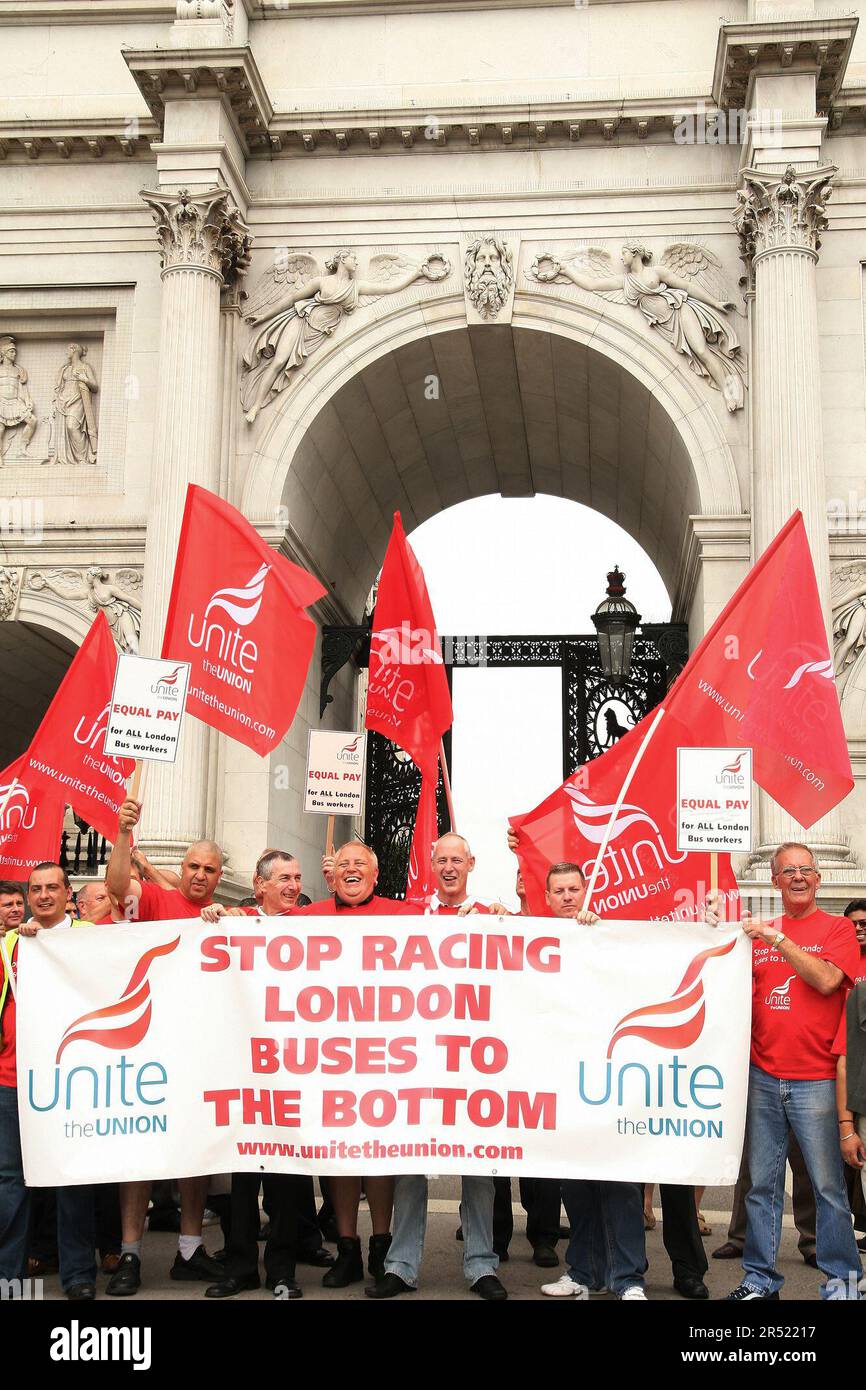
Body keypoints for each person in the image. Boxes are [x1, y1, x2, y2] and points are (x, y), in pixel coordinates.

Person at [708, 842, 863, 1300]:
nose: (797, 876)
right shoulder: (755, 934)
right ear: (775, 881)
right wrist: (711, 922)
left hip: (816, 1078)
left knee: (828, 1188)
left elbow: (827, 980)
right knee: (761, 1187)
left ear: (818, 879)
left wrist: (776, 939)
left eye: (806, 870)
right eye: (788, 870)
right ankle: (759, 1279)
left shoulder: (836, 929)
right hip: (761, 1076)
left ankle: (844, 1282)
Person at [368, 835, 508, 1301]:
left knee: (480, 1169)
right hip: (419, 1061)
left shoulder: (493, 916)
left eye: (457, 860)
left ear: (472, 863)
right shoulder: (407, 917)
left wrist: (501, 922)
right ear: (430, 866)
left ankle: (482, 1265)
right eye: (441, 860)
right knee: (409, 1166)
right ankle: (401, 1265)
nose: (449, 868)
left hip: (474, 1062)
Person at [103, 798, 224, 1295]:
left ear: (219, 876)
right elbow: (115, 887)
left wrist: (227, 920)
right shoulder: (156, 900)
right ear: (182, 868)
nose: (199, 875)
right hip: (151, 1052)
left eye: (209, 869)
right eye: (193, 866)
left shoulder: (225, 913)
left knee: (194, 1154)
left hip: (202, 1054)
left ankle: (190, 1250)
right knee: (143, 1153)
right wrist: (121, 833)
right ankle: (130, 1254)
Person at [201, 849, 333, 1298]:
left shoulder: (312, 926)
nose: (294, 886)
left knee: (288, 1181)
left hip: (295, 1073)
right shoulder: (237, 923)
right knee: (244, 1180)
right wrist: (216, 913)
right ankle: (239, 1268)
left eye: (298, 877)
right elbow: (219, 923)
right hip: (247, 1072)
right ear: (259, 886)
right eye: (283, 878)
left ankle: (282, 1272)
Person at [298, 842, 412, 1287]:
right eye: (343, 864)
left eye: (359, 865)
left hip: (385, 1059)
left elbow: (459, 930)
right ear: (331, 876)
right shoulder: (308, 918)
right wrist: (228, 918)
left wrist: (494, 913)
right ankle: (347, 1248)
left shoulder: (405, 915)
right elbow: (261, 936)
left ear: (375, 874)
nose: (350, 870)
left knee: (380, 1155)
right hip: (329, 1061)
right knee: (339, 1156)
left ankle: (381, 1245)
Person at [534, 863, 648, 1301]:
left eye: (573, 889)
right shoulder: (537, 941)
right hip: (561, 1080)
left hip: (608, 1078)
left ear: (587, 891)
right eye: (558, 891)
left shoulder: (608, 935)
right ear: (547, 897)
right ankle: (582, 1272)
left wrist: (598, 935)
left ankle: (628, 1278)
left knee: (619, 1183)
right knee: (576, 1186)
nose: (566, 897)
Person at [2, 863, 98, 1298]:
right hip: (10, 1080)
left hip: (69, 1081)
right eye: (35, 889)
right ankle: (9, 1278)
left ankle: (78, 1276)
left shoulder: (89, 939)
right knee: (10, 1183)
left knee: (72, 1180)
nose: (42, 896)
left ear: (67, 894)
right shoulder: (9, 943)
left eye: (51, 888)